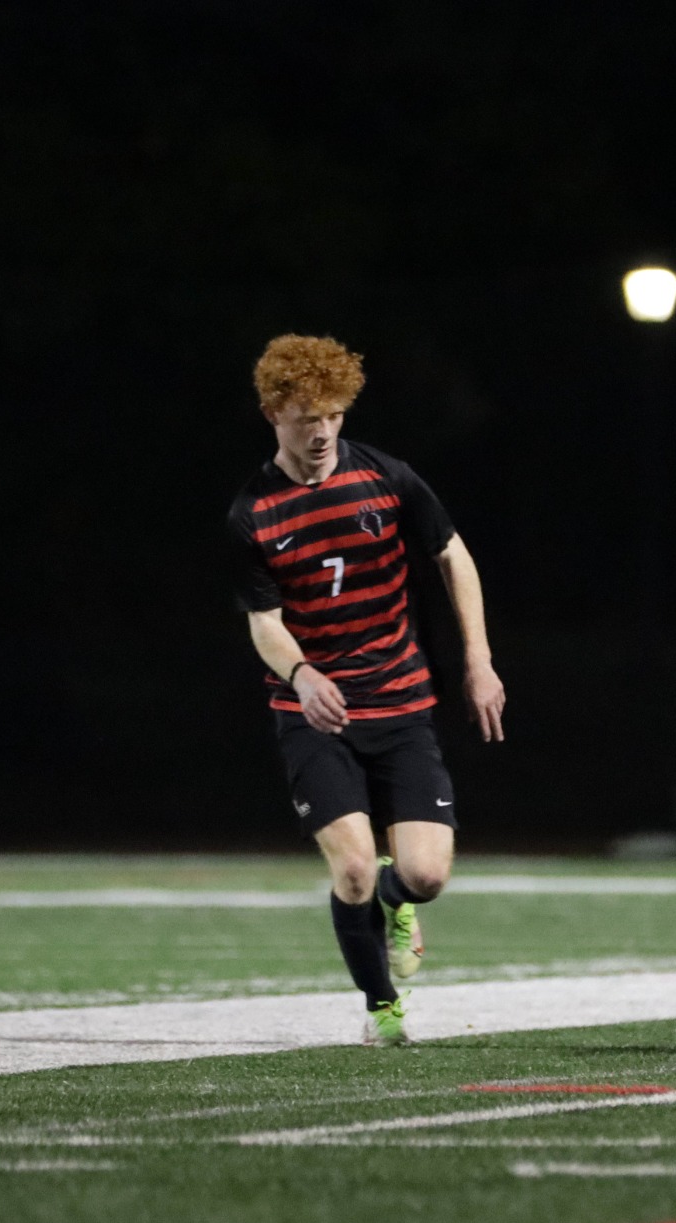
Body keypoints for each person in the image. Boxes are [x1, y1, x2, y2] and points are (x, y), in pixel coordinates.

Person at [226, 334, 506, 1046]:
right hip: (313, 714)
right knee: (351, 868)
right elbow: (265, 623)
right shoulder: (253, 513)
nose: (319, 431)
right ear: (271, 414)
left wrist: (478, 659)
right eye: (301, 416)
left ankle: (398, 901)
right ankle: (382, 1008)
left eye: (331, 414)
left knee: (425, 874)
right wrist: (303, 672)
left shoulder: (387, 477)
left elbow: (453, 554)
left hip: (403, 704)